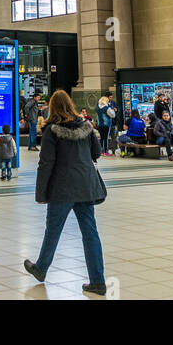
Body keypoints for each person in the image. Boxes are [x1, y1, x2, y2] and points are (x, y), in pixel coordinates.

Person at [23, 89, 108, 297]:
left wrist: (40, 194)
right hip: (86, 186)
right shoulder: (86, 127)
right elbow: (96, 153)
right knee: (90, 233)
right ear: (70, 105)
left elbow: (46, 164)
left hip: (61, 188)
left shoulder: (52, 131)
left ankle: (41, 268)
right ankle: (98, 282)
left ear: (53, 108)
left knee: (53, 230)